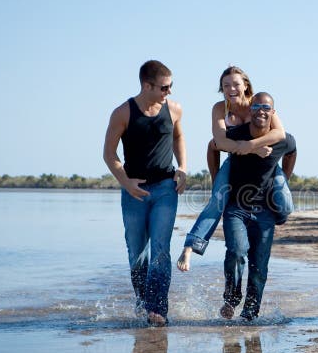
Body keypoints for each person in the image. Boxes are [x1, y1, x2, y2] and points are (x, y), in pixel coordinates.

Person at [176, 66, 292, 272]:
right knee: (217, 199)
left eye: (236, 84)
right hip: (236, 162)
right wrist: (245, 151)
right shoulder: (220, 109)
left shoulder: (258, 104)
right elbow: (218, 142)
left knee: (283, 197)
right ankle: (191, 246)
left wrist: (253, 146)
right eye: (226, 85)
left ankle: (280, 217)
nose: (231, 89)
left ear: (245, 85)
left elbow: (280, 134)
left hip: (266, 162)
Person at [103, 59, 187, 326]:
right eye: (164, 87)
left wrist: (183, 167)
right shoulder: (122, 113)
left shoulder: (173, 109)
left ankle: (158, 309)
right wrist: (126, 183)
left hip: (165, 188)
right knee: (137, 252)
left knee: (161, 249)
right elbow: (108, 153)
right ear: (146, 85)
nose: (169, 92)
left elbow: (178, 137)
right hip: (134, 192)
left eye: (171, 86)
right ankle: (143, 303)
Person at [219, 92, 297, 321]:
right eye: (257, 106)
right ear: (250, 109)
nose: (261, 111)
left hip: (265, 212)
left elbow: (292, 152)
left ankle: (250, 315)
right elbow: (213, 146)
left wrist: (284, 180)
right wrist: (217, 180)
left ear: (273, 112)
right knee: (236, 252)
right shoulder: (236, 135)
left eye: (266, 107)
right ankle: (231, 299)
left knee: (259, 266)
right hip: (236, 208)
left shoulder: (283, 140)